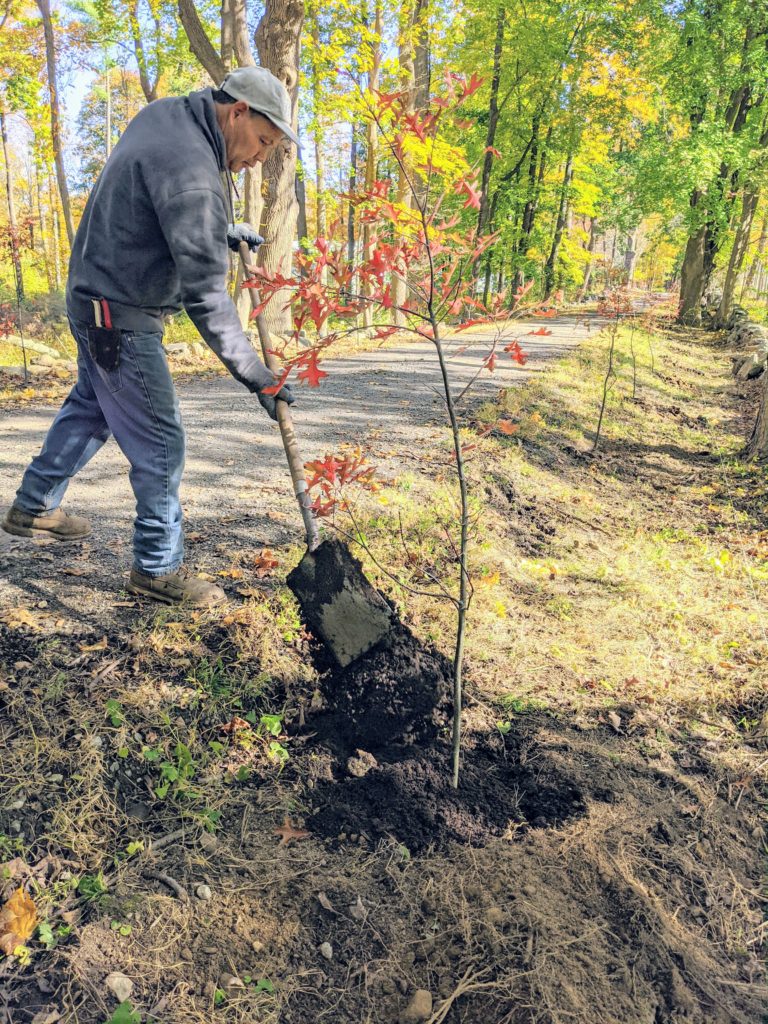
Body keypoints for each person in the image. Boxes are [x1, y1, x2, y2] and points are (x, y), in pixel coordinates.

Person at [2, 66, 297, 607]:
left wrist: (218, 230)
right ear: (237, 112)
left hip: (92, 297)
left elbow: (151, 205)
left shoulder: (170, 115)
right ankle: (157, 570)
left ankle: (34, 505)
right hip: (119, 317)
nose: (260, 157)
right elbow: (206, 297)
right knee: (161, 442)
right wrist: (257, 375)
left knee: (92, 407)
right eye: (262, 141)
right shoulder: (193, 172)